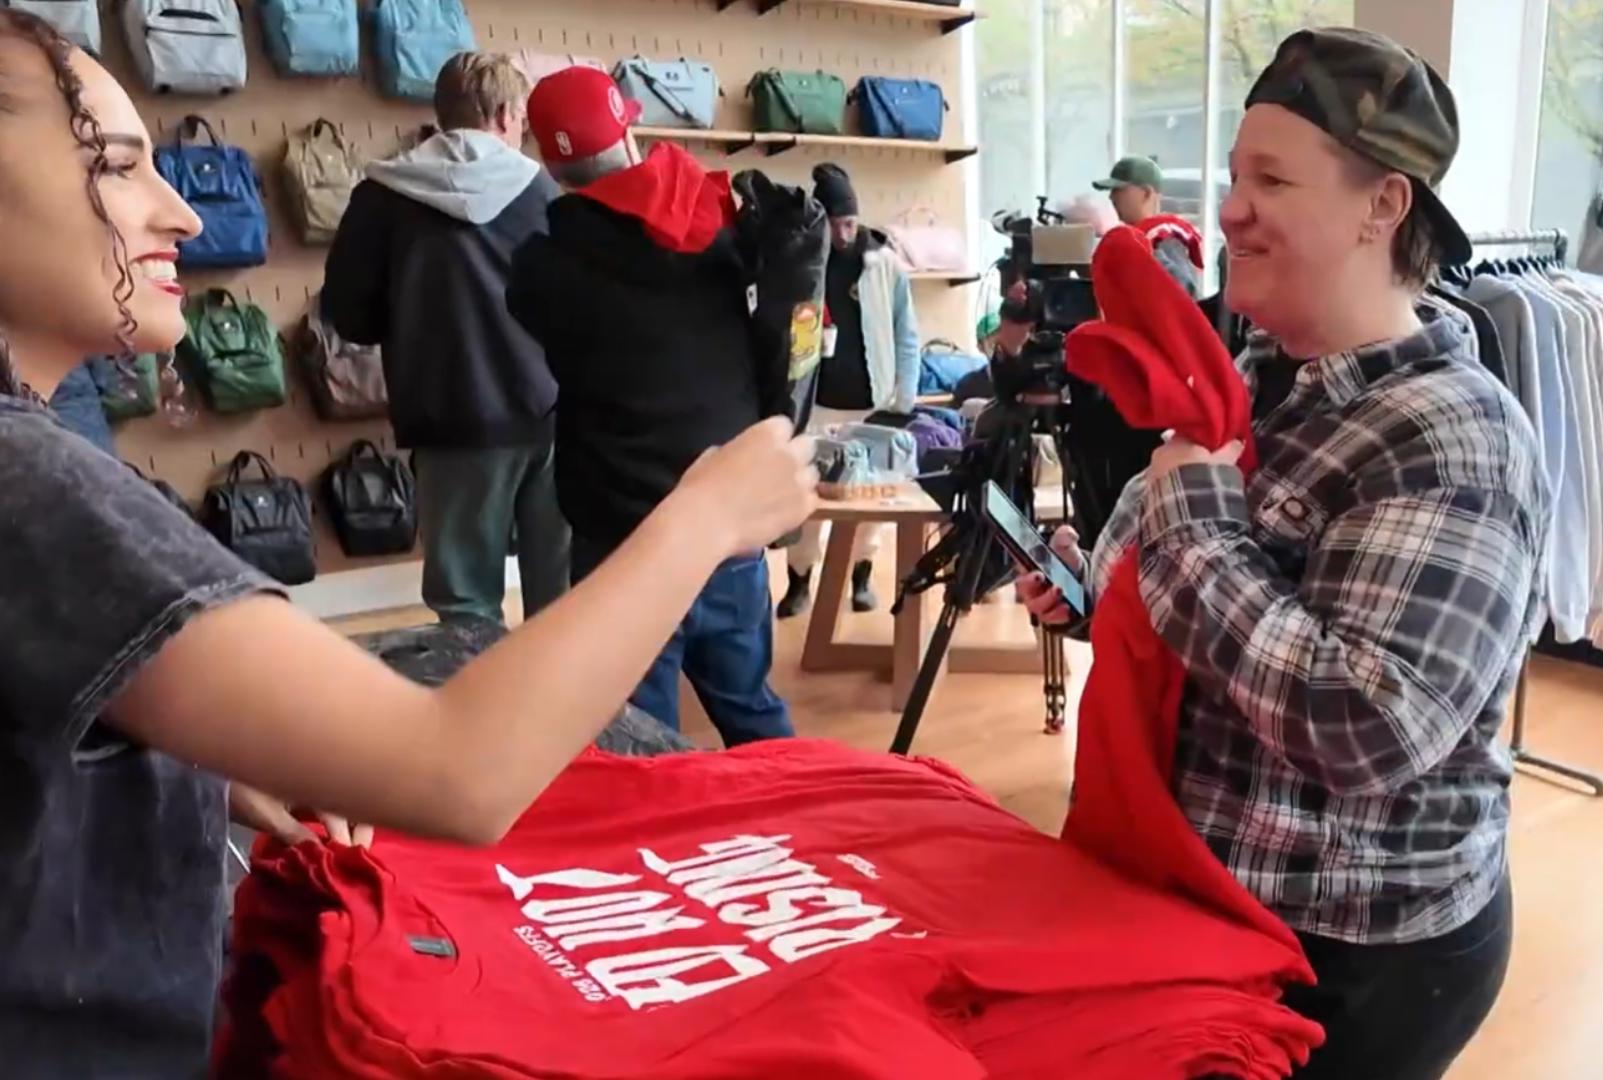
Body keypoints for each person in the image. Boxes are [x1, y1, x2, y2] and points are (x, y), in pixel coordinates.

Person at [0, 14, 816, 1074]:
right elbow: (456, 772)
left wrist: (188, 761)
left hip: (451, 424)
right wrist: (708, 515)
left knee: (504, 631)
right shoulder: (35, 482)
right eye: (114, 166)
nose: (181, 217)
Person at [1022, 28, 1547, 1080]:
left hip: (1348, 950)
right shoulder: (1252, 367)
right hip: (1197, 896)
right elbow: (1206, 585)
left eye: (1271, 177)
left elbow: (1367, 724)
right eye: (1233, 174)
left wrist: (1195, 523)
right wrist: (1102, 589)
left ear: (1381, 206)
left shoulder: (1451, 437)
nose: (1228, 208)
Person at [509, 67, 793, 745]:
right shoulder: (721, 230)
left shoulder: (542, 266)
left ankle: (661, 849)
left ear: (549, 162)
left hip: (621, 536)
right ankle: (799, 831)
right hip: (727, 516)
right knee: (751, 706)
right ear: (629, 130)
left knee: (638, 734)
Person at [323, 51, 571, 627]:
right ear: (508, 113)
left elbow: (349, 316)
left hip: (448, 418)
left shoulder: (382, 193)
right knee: (562, 597)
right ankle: (566, 718)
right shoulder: (541, 193)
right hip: (552, 411)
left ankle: (479, 715)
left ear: (441, 112)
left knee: (465, 604)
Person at [778, 162, 922, 619]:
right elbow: (793, 328)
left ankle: (861, 577)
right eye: (838, 223)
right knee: (807, 499)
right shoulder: (808, 260)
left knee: (871, 501)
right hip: (818, 404)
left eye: (851, 222)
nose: (845, 232)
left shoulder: (884, 264)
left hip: (872, 402)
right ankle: (799, 582)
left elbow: (906, 333)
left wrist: (905, 397)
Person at [1095, 154, 1204, 295]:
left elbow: (1186, 290)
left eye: (1118, 190)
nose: (1111, 197)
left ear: (1146, 193)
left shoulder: (1164, 237)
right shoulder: (1132, 236)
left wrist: (1146, 255)